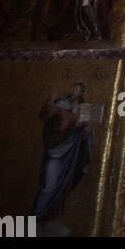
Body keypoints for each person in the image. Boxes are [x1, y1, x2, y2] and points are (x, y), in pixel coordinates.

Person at [32, 83, 94, 226]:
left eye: (78, 89)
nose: (74, 91)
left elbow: (87, 131)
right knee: (48, 185)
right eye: (74, 88)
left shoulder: (84, 108)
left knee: (64, 183)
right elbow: (47, 116)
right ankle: (36, 213)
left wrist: (88, 130)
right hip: (56, 149)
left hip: (72, 153)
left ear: (82, 93)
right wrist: (50, 102)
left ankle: (47, 217)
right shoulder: (62, 103)